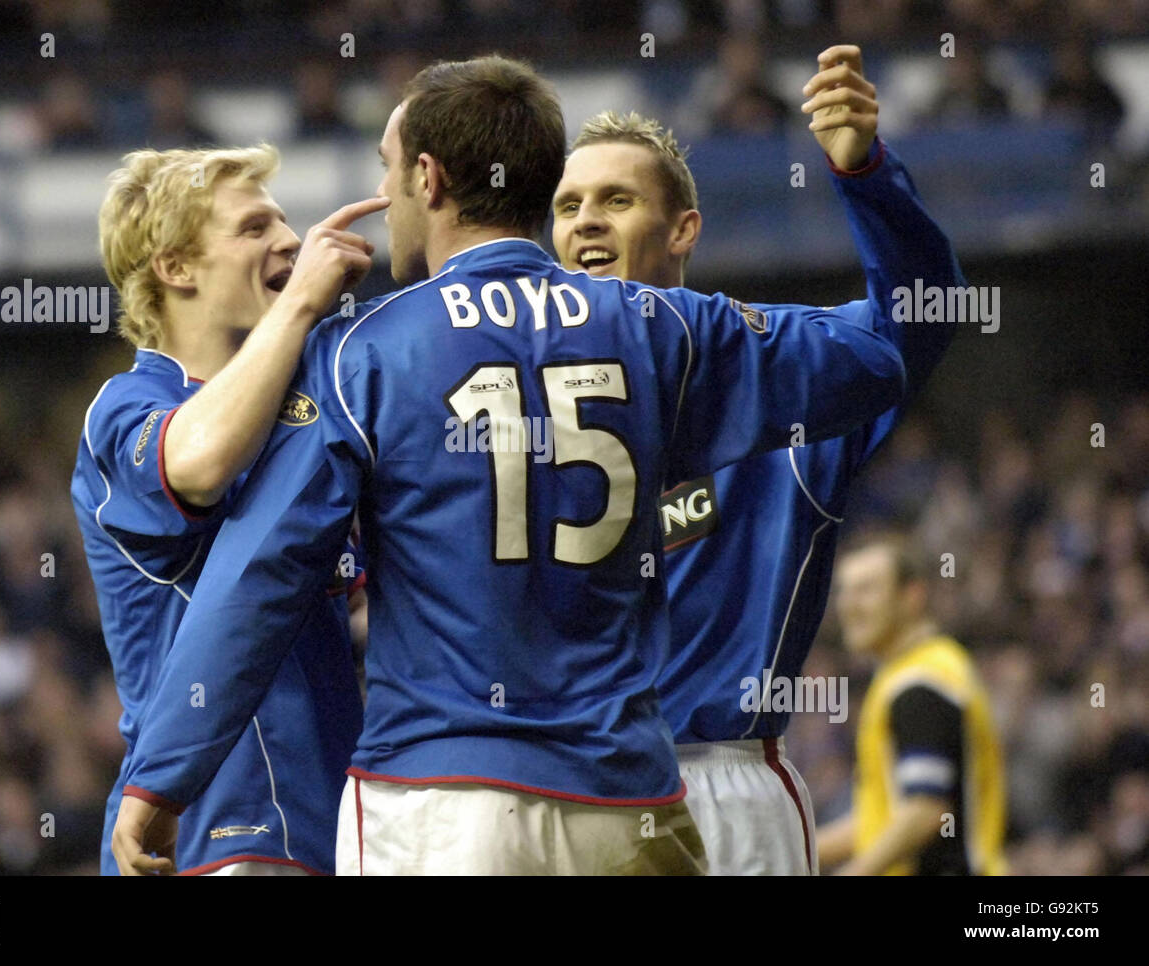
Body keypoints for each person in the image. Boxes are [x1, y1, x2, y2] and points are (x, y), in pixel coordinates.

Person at [114, 55, 907, 875]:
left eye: (390, 173)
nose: (386, 199)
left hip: (438, 803)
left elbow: (260, 576)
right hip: (627, 800)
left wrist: (162, 779)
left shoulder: (362, 354)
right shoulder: (662, 327)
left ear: (428, 177)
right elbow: (889, 351)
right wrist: (868, 175)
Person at [549, 45, 962, 874]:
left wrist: (867, 176)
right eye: (567, 205)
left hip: (719, 791)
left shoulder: (775, 378)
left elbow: (915, 323)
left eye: (616, 200)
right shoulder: (508, 398)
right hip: (563, 791)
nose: (585, 220)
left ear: (683, 231)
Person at [72, 143, 386, 875]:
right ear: (176, 269)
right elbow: (200, 462)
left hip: (330, 813)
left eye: (284, 223)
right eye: (253, 229)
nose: (289, 241)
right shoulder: (127, 408)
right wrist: (306, 301)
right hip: (213, 823)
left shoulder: (308, 414)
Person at [816, 533, 1007, 875]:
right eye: (843, 591)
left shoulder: (921, 682)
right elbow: (884, 819)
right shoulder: (907, 673)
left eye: (866, 590)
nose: (848, 605)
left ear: (912, 596)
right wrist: (794, 852)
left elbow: (925, 809)